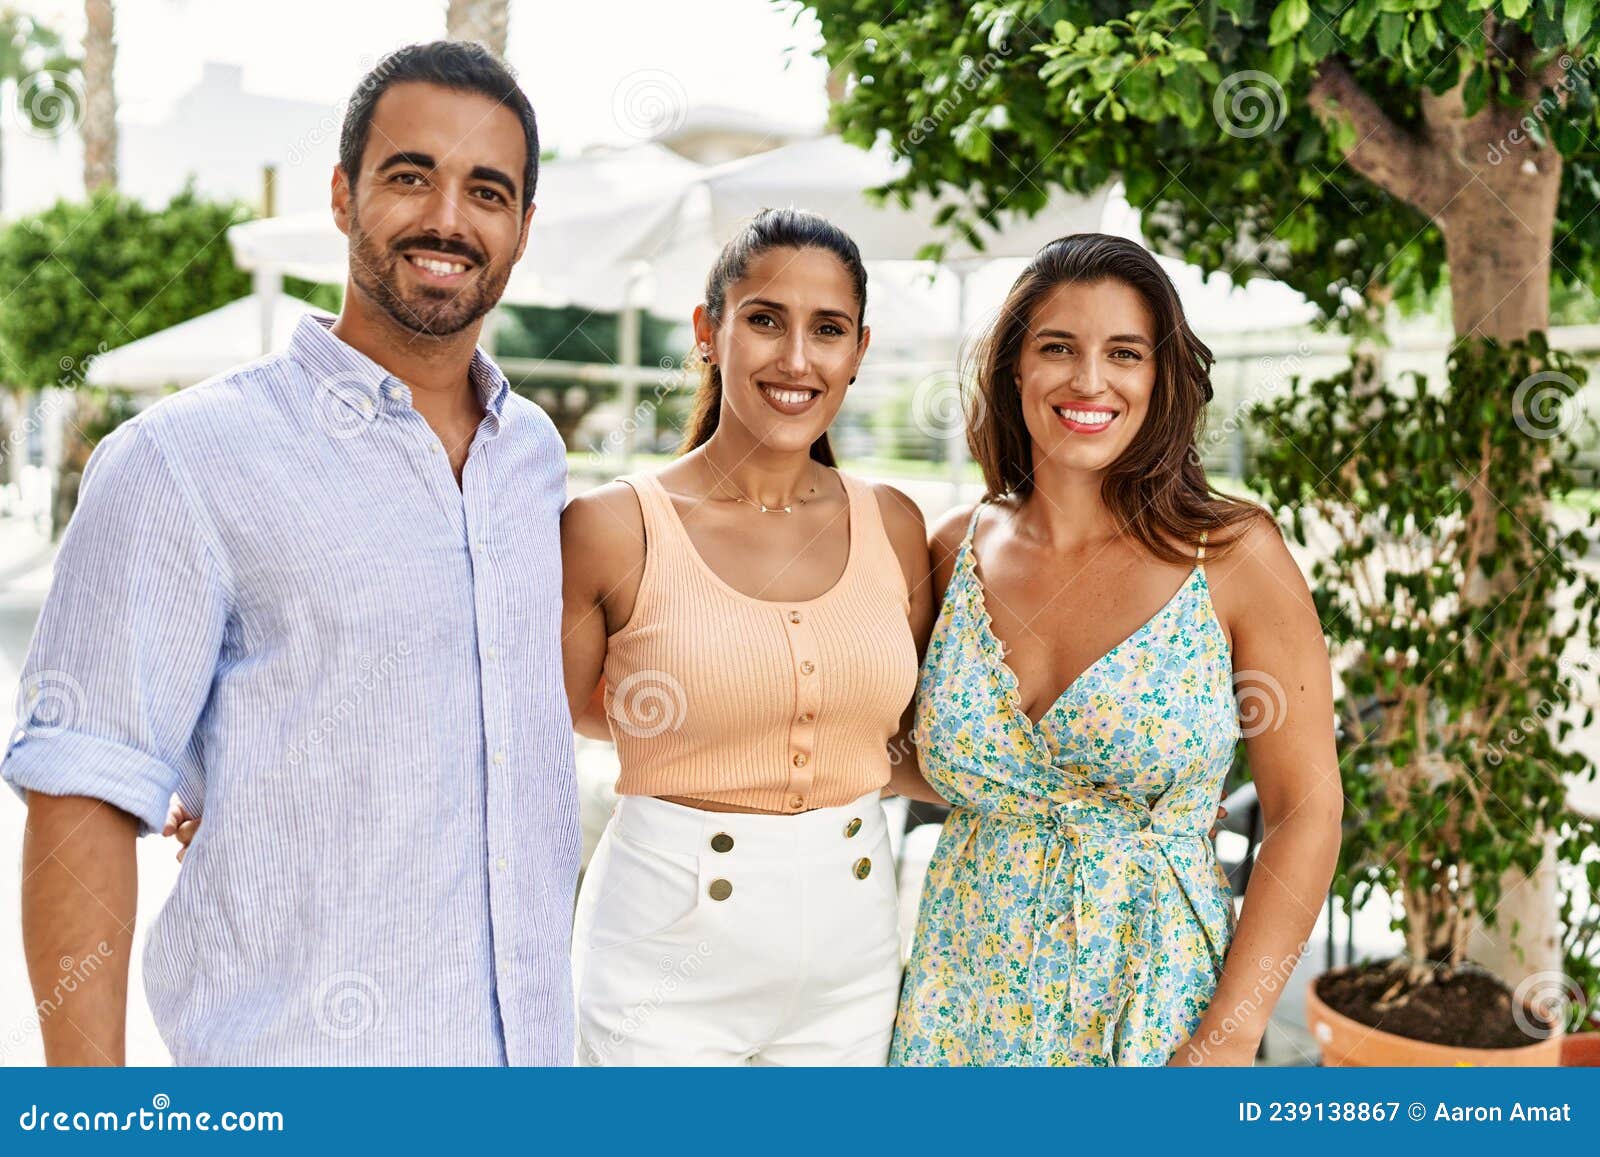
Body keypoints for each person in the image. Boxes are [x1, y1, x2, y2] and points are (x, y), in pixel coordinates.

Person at [2, 41, 579, 1065]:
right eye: (410, 176)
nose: (448, 218)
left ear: (524, 229)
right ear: (342, 195)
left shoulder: (531, 455)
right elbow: (81, 789)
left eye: (487, 191)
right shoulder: (180, 460)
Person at [891, 234, 1343, 1066]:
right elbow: (897, 753)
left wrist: (1230, 1033)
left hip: (1160, 1006)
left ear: (1161, 376)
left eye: (1124, 353)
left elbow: (1306, 812)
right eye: (1057, 347)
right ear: (1014, 370)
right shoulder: (952, 551)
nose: (1089, 380)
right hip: (960, 1003)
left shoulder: (1235, 554)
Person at [558, 208, 935, 1065]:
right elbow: (554, 722)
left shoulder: (896, 525)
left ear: (859, 351)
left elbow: (908, 735)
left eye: (828, 330)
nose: (797, 359)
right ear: (708, 331)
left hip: (855, 953)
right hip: (660, 960)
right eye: (765, 319)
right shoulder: (612, 528)